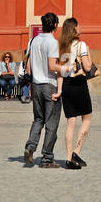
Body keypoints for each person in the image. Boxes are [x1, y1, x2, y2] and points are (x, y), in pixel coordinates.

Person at [51, 16, 93, 170]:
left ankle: (68, 158)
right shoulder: (81, 45)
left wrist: (59, 91)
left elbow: (60, 72)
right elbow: (87, 68)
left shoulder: (62, 48)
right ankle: (76, 151)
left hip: (67, 85)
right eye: (78, 25)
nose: (80, 27)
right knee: (87, 118)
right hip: (79, 85)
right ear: (74, 29)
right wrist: (88, 53)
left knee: (71, 122)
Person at [23, 12, 62, 168]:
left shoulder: (33, 41)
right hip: (49, 84)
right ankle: (47, 158)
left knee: (38, 119)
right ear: (55, 25)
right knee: (51, 124)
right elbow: (52, 66)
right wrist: (67, 68)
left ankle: (30, 147)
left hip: (36, 85)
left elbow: (28, 68)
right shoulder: (52, 43)